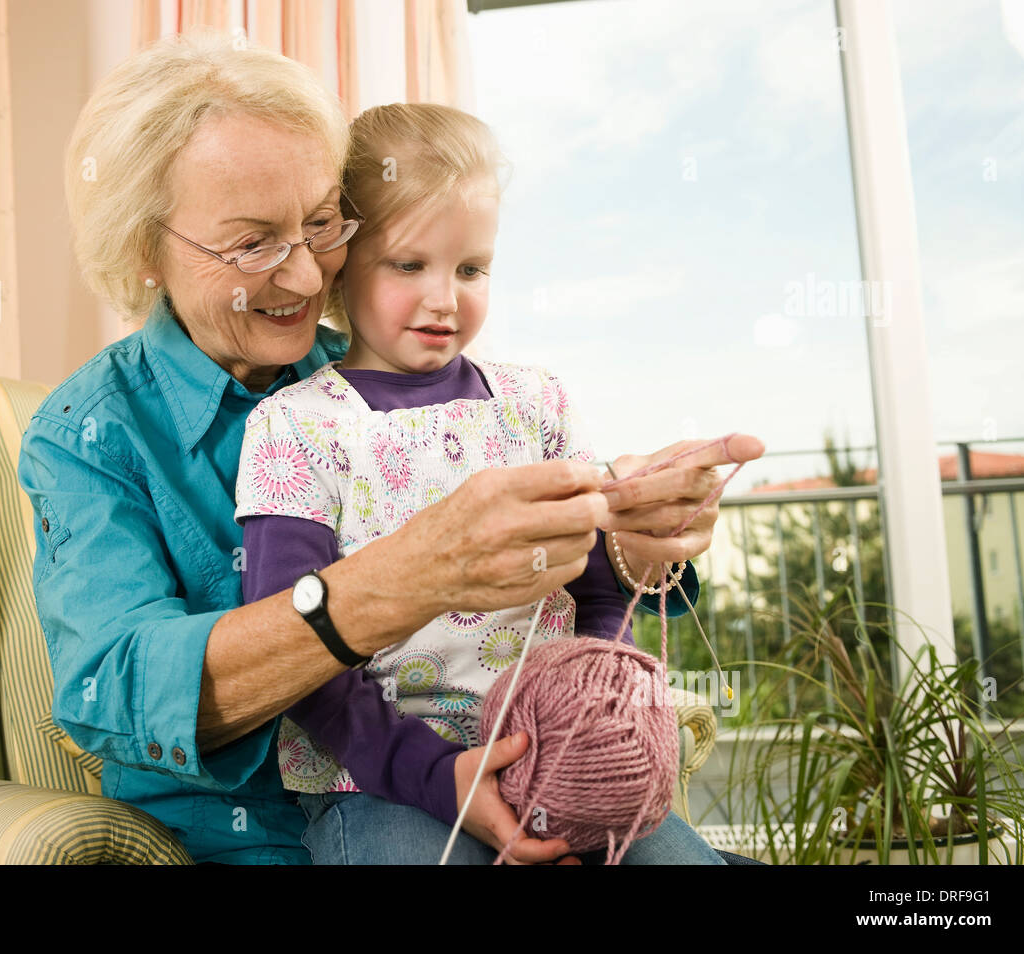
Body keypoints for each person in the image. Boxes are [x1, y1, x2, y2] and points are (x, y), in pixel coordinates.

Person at [17, 29, 764, 865]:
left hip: (513, 779)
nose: (306, 279)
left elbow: (577, 589)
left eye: (321, 224)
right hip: (278, 833)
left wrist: (630, 541)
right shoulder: (87, 434)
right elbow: (110, 687)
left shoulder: (402, 374)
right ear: (143, 247)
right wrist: (384, 589)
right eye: (253, 242)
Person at [234, 103, 726, 865]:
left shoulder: (540, 404)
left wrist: (590, 723)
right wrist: (440, 775)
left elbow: (599, 591)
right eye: (409, 264)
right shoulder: (292, 428)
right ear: (339, 266)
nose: (445, 298)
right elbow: (297, 658)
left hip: (558, 762)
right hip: (377, 784)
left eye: (471, 268)